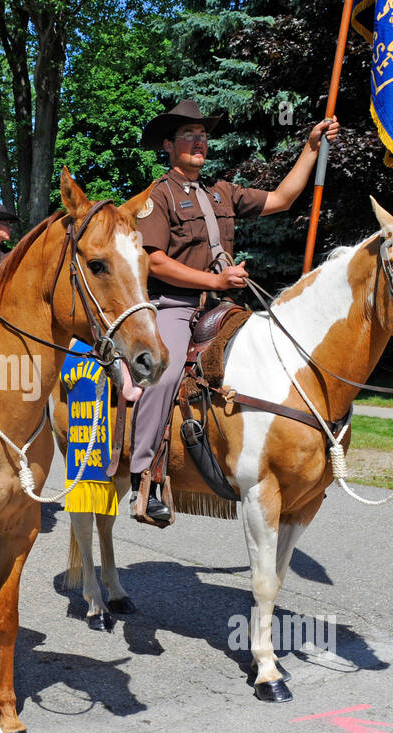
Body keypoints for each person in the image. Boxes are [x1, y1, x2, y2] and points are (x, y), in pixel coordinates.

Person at [129, 99, 340, 523]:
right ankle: (142, 476)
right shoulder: (158, 195)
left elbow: (282, 198)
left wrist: (311, 147)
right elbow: (153, 261)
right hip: (176, 305)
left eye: (203, 136)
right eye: (189, 136)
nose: (199, 143)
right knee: (163, 373)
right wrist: (215, 281)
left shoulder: (222, 191)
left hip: (225, 307)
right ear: (168, 146)